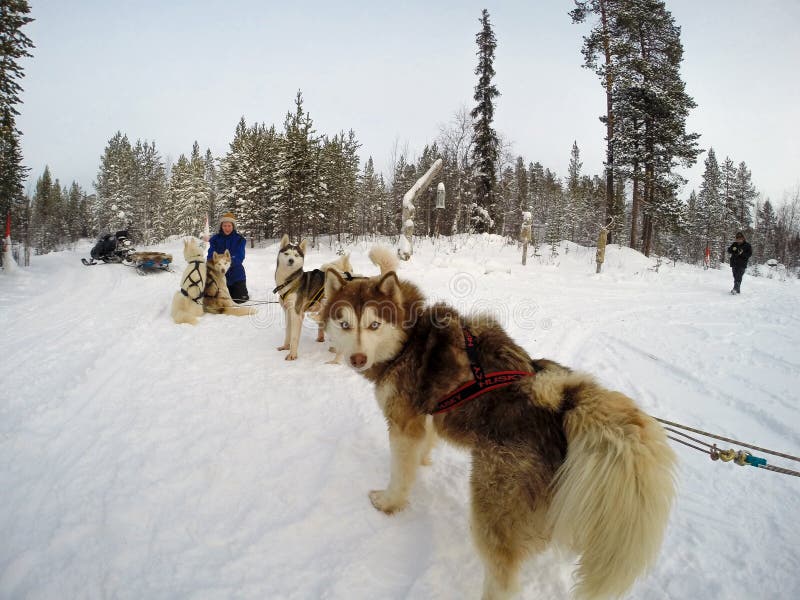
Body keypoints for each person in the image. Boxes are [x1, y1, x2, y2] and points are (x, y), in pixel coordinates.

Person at [207, 212, 249, 303]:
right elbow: (211, 256)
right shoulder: (215, 239)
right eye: (225, 225)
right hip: (219, 276)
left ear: (233, 226)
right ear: (221, 226)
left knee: (240, 300)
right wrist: (217, 264)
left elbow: (239, 256)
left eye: (229, 226)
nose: (227, 228)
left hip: (236, 276)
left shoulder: (240, 240)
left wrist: (227, 263)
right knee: (218, 302)